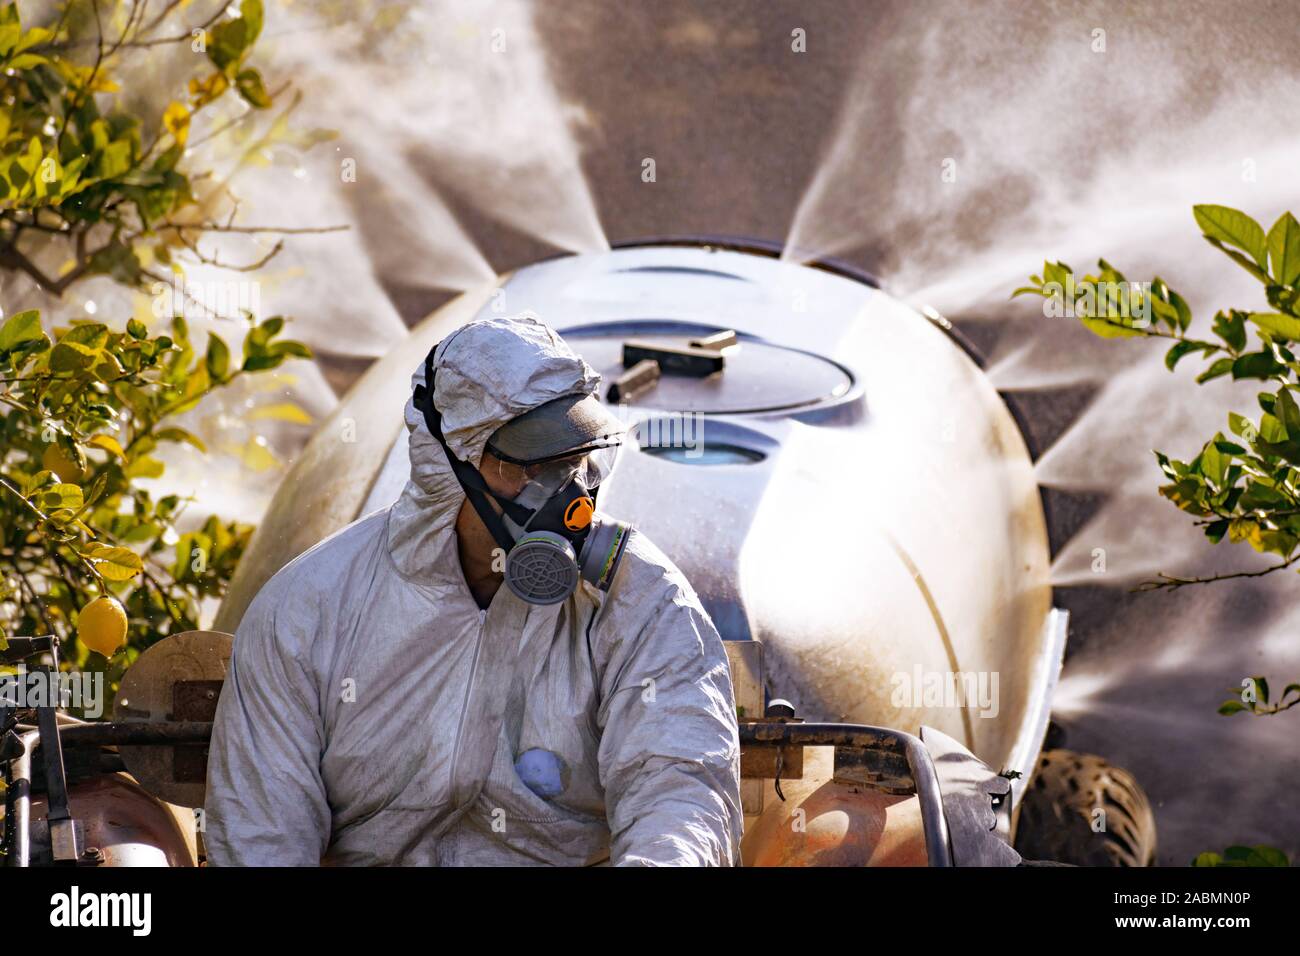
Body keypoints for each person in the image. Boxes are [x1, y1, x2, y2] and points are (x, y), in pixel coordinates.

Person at [204, 314, 743, 866]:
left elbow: (680, 794)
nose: (568, 492)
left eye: (575, 457)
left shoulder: (642, 602)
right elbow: (262, 839)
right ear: (446, 466)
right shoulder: (309, 609)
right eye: (532, 464)